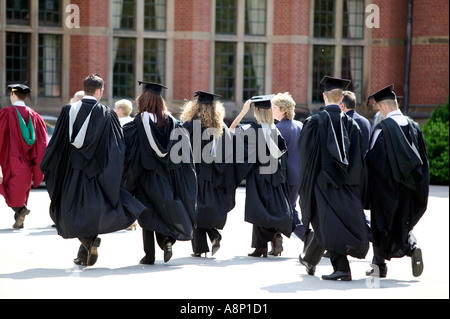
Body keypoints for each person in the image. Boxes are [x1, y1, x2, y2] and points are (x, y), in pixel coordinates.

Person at [40, 74, 146, 267]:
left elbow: (57, 145)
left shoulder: (67, 111)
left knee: (70, 212)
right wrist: (113, 172)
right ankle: (88, 244)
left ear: (85, 89)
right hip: (97, 174)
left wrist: (53, 167)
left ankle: (87, 245)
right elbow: (116, 147)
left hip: (72, 173)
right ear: (99, 91)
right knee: (95, 212)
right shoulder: (107, 113)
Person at [298, 76, 369, 281]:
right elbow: (358, 161)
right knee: (334, 225)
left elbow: (306, 157)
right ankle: (316, 261)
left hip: (322, 184)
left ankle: (342, 269)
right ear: (341, 99)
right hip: (346, 185)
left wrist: (307, 186)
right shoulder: (352, 125)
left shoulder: (314, 123)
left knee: (325, 226)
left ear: (323, 96)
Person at [122, 81, 197, 265]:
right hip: (167, 177)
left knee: (147, 216)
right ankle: (166, 241)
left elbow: (127, 152)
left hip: (145, 176)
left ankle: (149, 255)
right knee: (165, 211)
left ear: (143, 102)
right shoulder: (172, 124)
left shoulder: (135, 126)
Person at [365, 84, 429, 278]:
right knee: (404, 221)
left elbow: (373, 161)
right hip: (409, 188)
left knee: (381, 225)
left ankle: (379, 267)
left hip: (386, 189)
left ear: (383, 106)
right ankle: (412, 247)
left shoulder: (382, 129)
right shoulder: (414, 126)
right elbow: (423, 161)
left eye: (378, 108)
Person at [230, 95, 293, 258]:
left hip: (258, 176)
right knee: (270, 208)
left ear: (256, 111)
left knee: (258, 211)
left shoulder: (252, 128)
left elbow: (230, 130)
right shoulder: (275, 129)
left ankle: (270, 239)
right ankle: (263, 246)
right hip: (275, 175)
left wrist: (243, 112)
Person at [180, 91, 236, 257]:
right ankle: (213, 234)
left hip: (195, 173)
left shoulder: (190, 125)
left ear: (195, 107)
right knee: (205, 209)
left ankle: (200, 248)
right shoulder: (222, 127)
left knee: (195, 209)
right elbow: (228, 153)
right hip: (215, 174)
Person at [0, 84, 48, 229]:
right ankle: (19, 216)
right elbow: (42, 143)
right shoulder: (35, 116)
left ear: (13, 95)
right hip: (27, 164)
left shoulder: (6, 113)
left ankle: (21, 211)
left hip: (10, 161)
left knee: (8, 189)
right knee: (20, 192)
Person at [271, 92, 308, 255]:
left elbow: (273, 155)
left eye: (274, 107)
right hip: (299, 174)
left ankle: (308, 238)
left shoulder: (278, 128)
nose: (271, 110)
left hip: (285, 176)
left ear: (282, 110)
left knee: (286, 210)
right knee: (285, 208)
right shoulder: (299, 125)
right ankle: (276, 242)